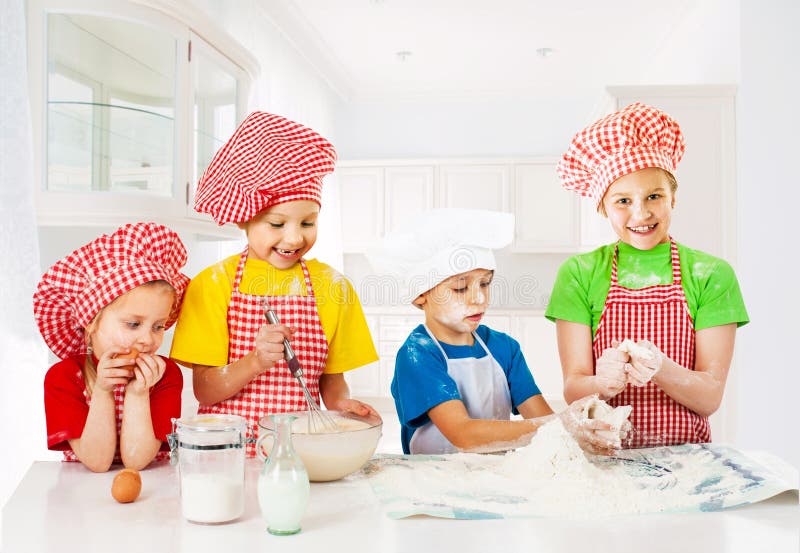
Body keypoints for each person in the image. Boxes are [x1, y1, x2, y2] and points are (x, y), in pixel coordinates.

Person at [170, 111, 379, 455]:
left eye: (308, 222)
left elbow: (330, 380)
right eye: (277, 224)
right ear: (244, 221)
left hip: (296, 452)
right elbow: (205, 390)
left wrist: (342, 406)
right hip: (228, 454)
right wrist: (255, 361)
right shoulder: (212, 284)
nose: (294, 238)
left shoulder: (333, 286)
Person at [546, 102, 749, 448]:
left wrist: (661, 368)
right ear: (603, 207)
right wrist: (601, 383)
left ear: (673, 198)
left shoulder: (711, 274)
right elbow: (573, 389)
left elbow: (710, 398)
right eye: (622, 201)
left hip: (686, 461)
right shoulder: (579, 273)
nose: (640, 214)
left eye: (654, 196)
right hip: (604, 461)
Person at [368, 208, 620, 456]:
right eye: (460, 288)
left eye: (485, 283)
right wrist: (562, 426)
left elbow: (542, 419)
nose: (479, 298)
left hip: (496, 477)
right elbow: (464, 435)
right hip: (433, 478)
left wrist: (585, 430)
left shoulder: (504, 348)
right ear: (420, 295)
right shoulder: (417, 355)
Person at [33, 222, 190, 472]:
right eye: (133, 324)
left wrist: (138, 394)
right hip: (82, 491)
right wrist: (103, 391)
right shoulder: (64, 377)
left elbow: (137, 461)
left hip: (150, 487)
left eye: (158, 326)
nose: (147, 339)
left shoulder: (165, 375)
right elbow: (97, 462)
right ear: (91, 323)